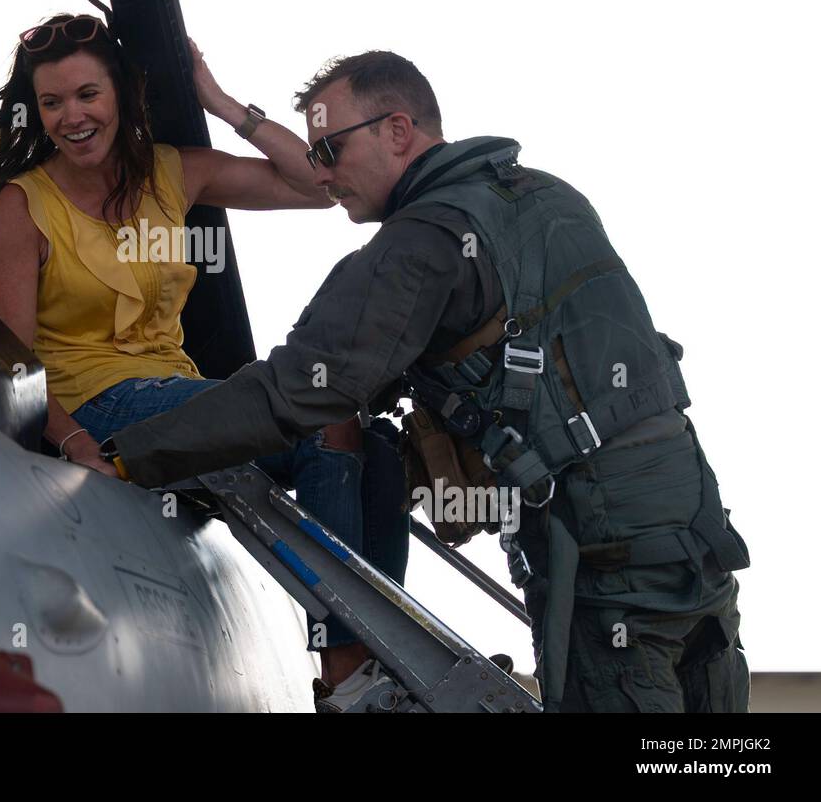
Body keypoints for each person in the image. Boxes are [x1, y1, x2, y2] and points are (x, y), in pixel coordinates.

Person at [102, 49, 751, 713]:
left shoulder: (426, 239)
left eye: (329, 149)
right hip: (693, 531)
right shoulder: (546, 195)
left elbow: (297, 391)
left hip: (603, 549)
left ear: (398, 131)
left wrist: (126, 455)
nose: (321, 173)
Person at [0, 13, 402, 699]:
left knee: (378, 447)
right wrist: (74, 442)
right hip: (100, 407)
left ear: (123, 96)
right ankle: (345, 668)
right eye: (52, 102)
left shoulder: (174, 173)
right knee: (318, 415)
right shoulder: (23, 205)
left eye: (87, 95)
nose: (72, 116)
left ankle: (378, 650)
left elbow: (318, 187)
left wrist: (218, 101)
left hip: (178, 396)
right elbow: (10, 362)